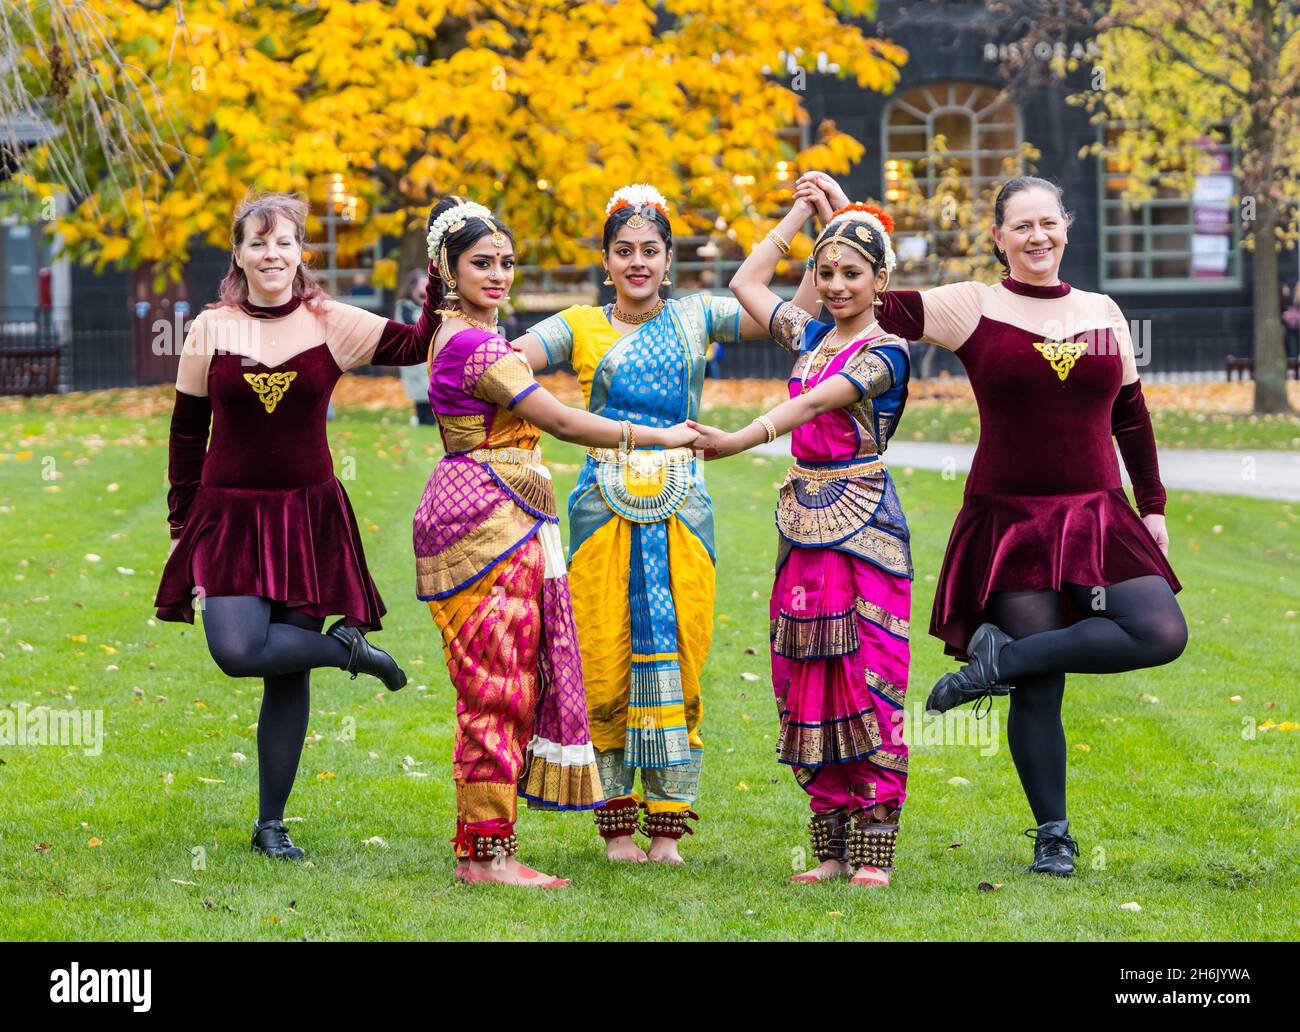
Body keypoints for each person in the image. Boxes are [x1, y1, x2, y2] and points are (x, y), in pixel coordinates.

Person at [798, 171, 1187, 876]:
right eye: (1022, 226)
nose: (1038, 237)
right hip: (1011, 522)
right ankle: (1053, 837)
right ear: (999, 237)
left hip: (1098, 513)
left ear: (1066, 227)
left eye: (1048, 223)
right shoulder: (972, 305)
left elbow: (1130, 416)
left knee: (1160, 632)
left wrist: (1152, 506)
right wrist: (842, 220)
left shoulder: (1103, 309)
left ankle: (995, 662)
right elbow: (866, 294)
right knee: (1042, 685)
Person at [513, 184, 820, 864]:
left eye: (650, 250)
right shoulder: (578, 325)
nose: (637, 263)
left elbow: (795, 319)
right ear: (605, 260)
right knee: (602, 655)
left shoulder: (696, 315)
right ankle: (617, 828)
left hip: (684, 507)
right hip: (601, 508)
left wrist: (803, 216)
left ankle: (667, 829)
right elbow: (502, 365)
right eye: (624, 251)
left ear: (669, 258)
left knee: (683, 652)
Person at [417, 196, 700, 888]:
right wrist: (658, 435)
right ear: (448, 271)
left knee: (501, 685)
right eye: (482, 263)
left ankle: (485, 851)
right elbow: (565, 423)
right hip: (486, 518)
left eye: (506, 262)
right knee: (497, 688)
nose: (498, 275)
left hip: (497, 511)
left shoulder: (464, 335)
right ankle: (489, 859)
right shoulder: (473, 344)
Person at [154, 191, 443, 861]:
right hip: (228, 516)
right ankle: (352, 653)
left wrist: (436, 266)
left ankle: (271, 824)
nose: (271, 254)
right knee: (237, 651)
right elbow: (186, 432)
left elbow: (420, 342)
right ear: (238, 254)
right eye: (257, 243)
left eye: (283, 242)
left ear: (299, 252)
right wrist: (180, 526)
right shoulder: (210, 328)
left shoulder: (330, 321)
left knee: (287, 676)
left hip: (307, 517)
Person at [689, 190, 913, 886]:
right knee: (805, 673)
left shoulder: (888, 351)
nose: (838, 285)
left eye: (853, 273)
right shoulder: (813, 337)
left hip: (865, 524)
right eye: (826, 273)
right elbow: (745, 282)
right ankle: (831, 848)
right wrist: (802, 214)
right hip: (802, 523)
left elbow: (818, 400)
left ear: (880, 279)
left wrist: (740, 439)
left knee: (868, 673)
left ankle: (875, 847)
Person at [395, 269, 436, 425]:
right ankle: (422, 419)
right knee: (420, 391)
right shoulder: (404, 306)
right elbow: (413, 327)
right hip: (413, 356)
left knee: (430, 389)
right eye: (423, 283)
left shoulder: (429, 305)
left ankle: (427, 420)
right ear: (413, 287)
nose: (426, 286)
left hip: (429, 356)